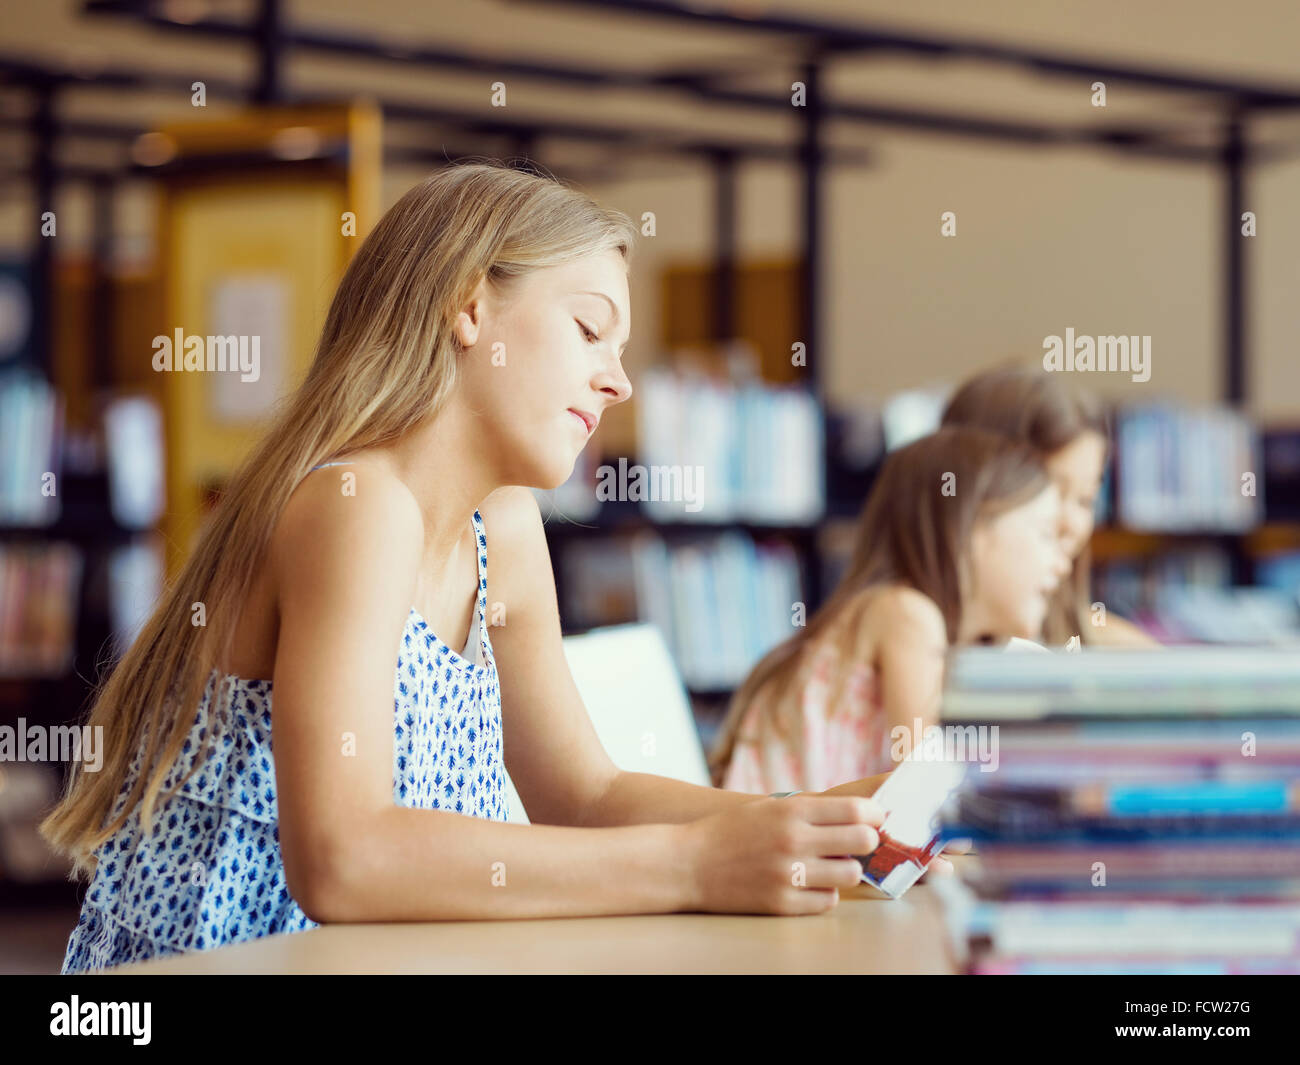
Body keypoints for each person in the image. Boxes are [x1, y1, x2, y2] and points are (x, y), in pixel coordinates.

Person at [44, 162, 896, 972]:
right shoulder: (358, 508)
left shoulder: (505, 528)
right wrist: (696, 863)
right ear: (469, 307)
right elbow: (345, 860)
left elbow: (585, 795)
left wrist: (810, 825)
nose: (619, 383)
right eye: (590, 329)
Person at [712, 426, 1071, 794]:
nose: (1062, 564)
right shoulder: (905, 613)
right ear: (966, 530)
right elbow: (931, 792)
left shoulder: (908, 622)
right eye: (1045, 533)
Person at [940, 364, 1159, 647]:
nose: (1071, 525)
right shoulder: (910, 633)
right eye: (1050, 493)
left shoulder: (1112, 647)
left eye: (1085, 500)